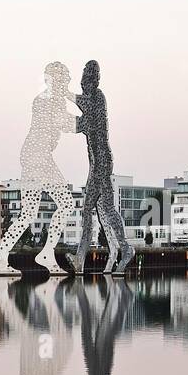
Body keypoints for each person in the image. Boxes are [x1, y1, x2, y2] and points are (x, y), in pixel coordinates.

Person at [0, 63, 79, 277]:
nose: (67, 82)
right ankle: (46, 253)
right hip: (39, 159)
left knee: (28, 214)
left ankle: (0, 260)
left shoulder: (49, 99)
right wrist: (90, 121)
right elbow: (66, 123)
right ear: (54, 79)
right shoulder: (45, 100)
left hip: (33, 157)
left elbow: (64, 120)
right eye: (64, 78)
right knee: (66, 203)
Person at [72, 60, 134, 276]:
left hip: (101, 164)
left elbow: (85, 108)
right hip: (98, 164)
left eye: (84, 79)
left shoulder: (97, 97)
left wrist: (64, 94)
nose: (82, 84)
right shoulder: (91, 105)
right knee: (105, 210)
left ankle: (80, 258)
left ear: (90, 79)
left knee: (88, 208)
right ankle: (122, 250)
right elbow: (78, 125)